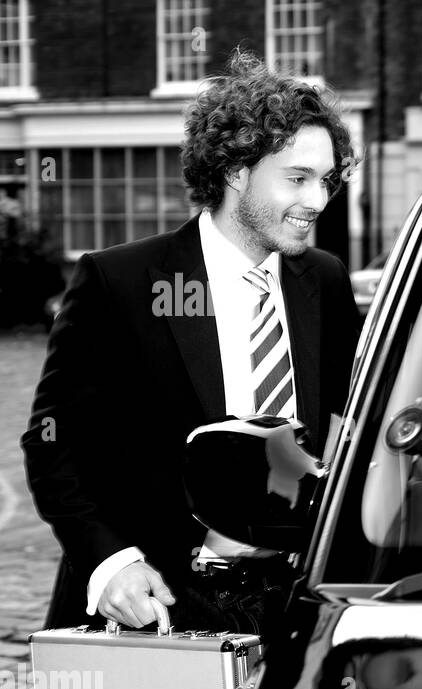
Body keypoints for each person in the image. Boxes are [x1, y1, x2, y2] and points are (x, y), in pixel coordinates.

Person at [21, 50, 361, 635]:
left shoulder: (324, 279)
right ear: (236, 172)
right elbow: (53, 444)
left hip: (291, 602)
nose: (319, 200)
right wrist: (110, 562)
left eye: (326, 180)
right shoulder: (121, 282)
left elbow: (344, 423)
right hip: (156, 606)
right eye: (298, 178)